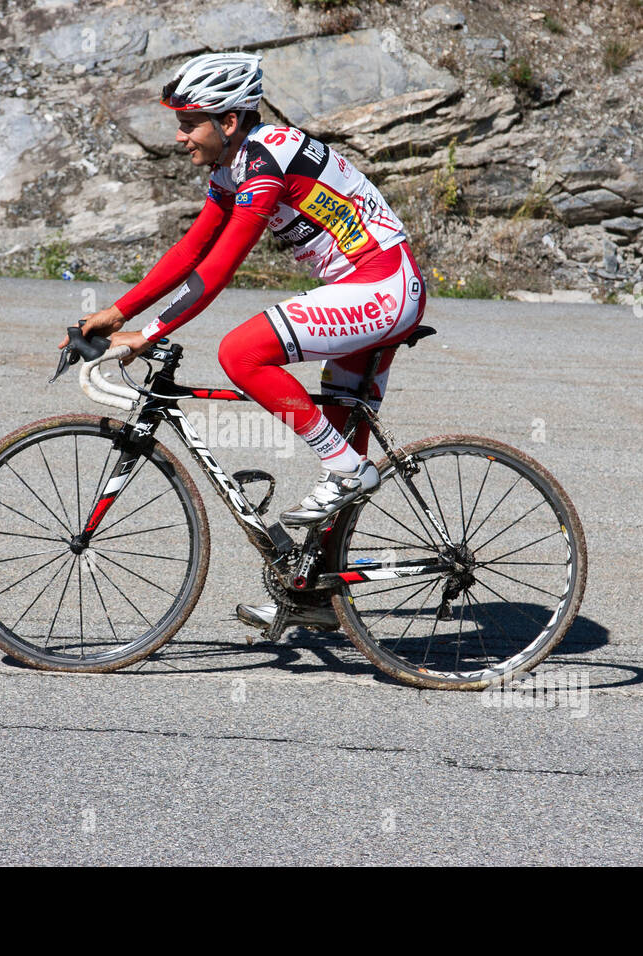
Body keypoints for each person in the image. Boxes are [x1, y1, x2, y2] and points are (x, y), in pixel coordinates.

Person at [64, 51, 426, 629]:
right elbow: (191, 251)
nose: (180, 136)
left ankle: (348, 469)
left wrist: (149, 333)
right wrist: (116, 311)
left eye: (189, 122)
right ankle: (314, 593)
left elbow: (220, 267)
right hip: (365, 289)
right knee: (339, 436)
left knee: (242, 352)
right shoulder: (232, 169)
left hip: (382, 286)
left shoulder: (268, 156)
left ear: (228, 122)